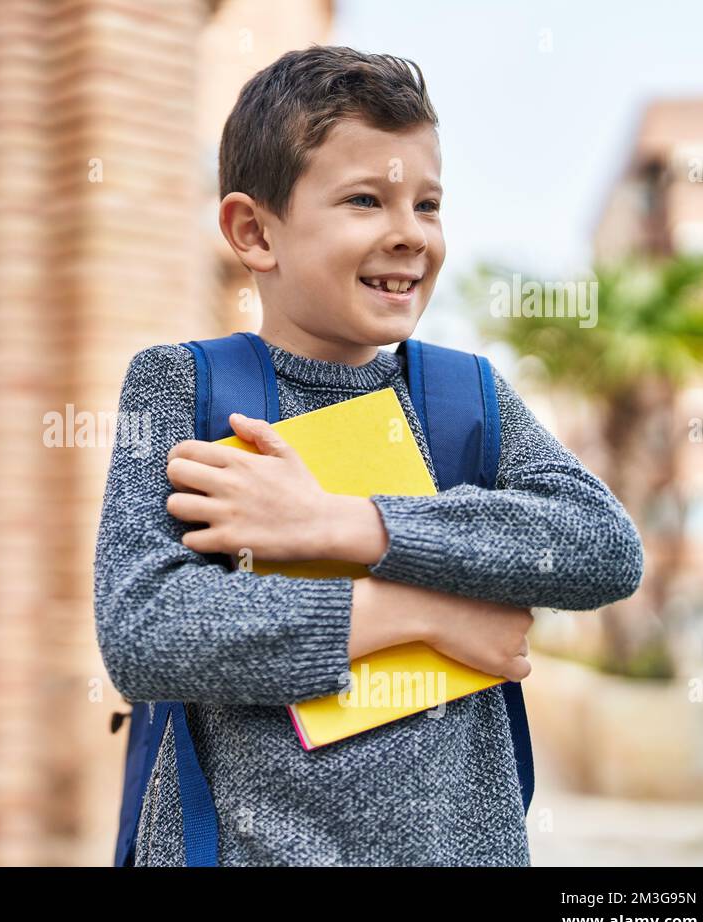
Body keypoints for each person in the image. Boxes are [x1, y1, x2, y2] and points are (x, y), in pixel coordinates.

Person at [92, 44, 645, 866]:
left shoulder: (467, 399)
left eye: (427, 204)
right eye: (365, 200)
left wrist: (349, 525)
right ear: (255, 231)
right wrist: (421, 614)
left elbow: (604, 549)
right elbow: (143, 631)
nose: (409, 235)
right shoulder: (183, 388)